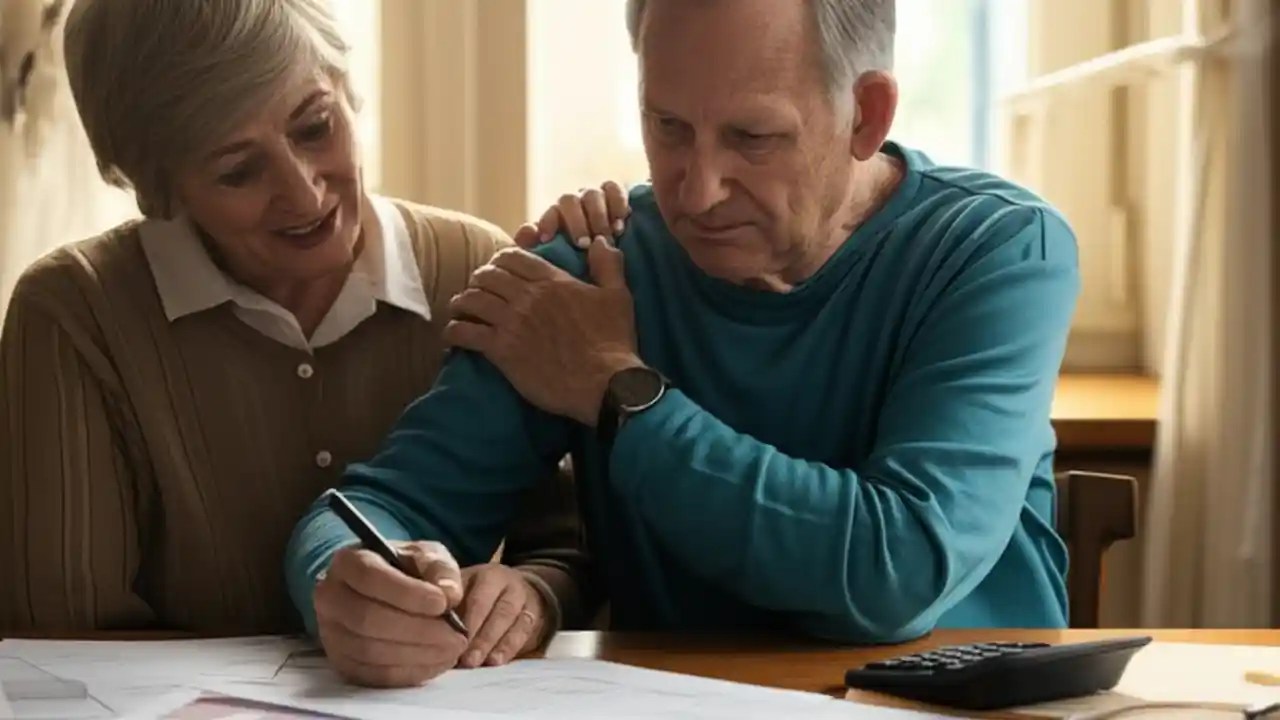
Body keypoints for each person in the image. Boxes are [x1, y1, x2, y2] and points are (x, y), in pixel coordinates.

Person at [287, 0, 1082, 687]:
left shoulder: (1000, 252)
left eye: (753, 137)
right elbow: (377, 507)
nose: (697, 191)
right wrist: (352, 585)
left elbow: (897, 572)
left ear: (867, 116)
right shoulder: (588, 276)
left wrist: (620, 393)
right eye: (667, 127)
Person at [0, 0, 625, 658]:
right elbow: (58, 642)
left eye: (315, 127)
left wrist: (529, 593)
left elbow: (567, 548)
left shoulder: (474, 269)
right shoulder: (72, 318)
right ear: (158, 186)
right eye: (238, 170)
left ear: (348, 90)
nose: (302, 194)